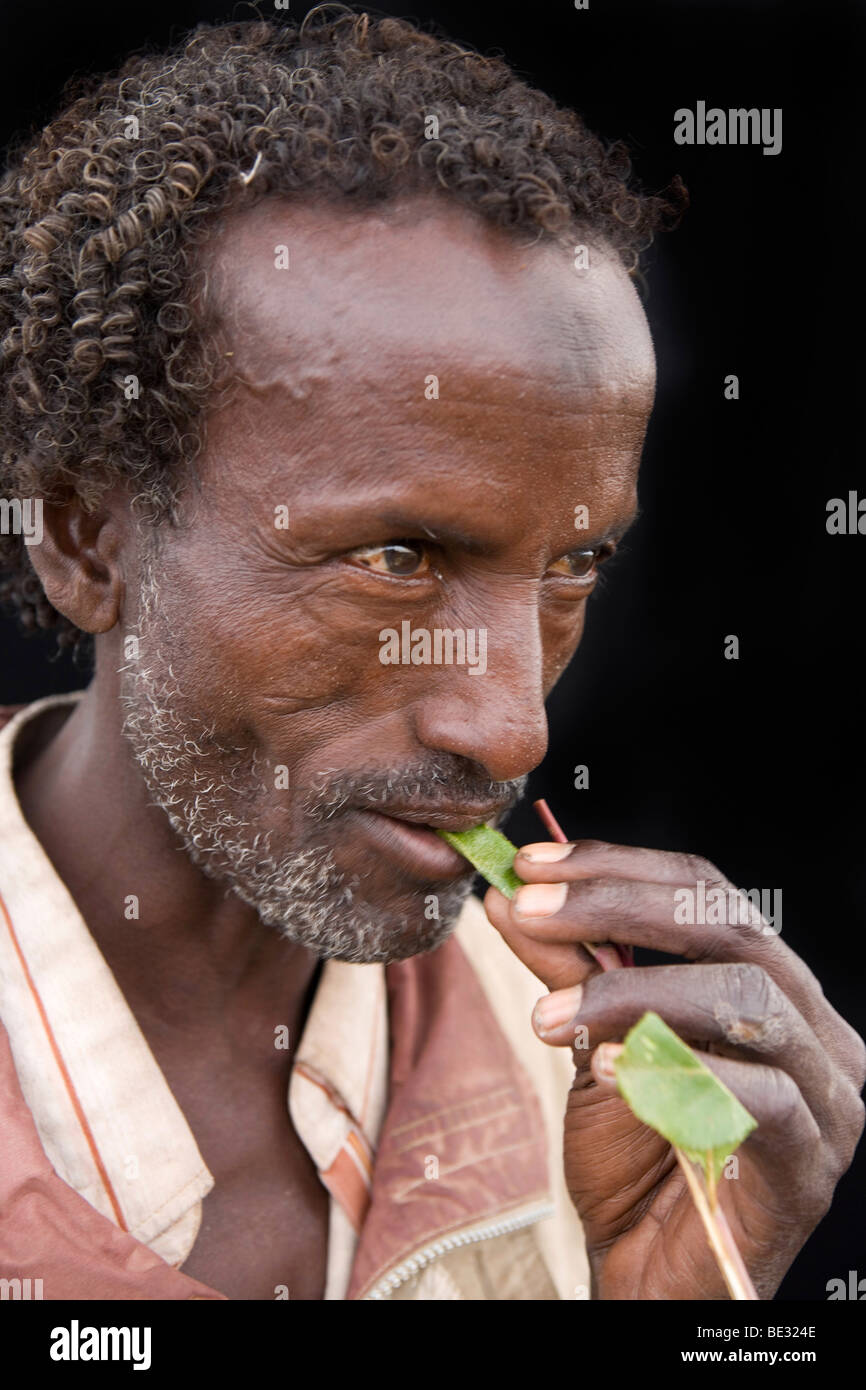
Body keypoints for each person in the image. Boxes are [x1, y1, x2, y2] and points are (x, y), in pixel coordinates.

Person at [0, 7, 862, 1301]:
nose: (513, 728)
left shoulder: (611, 1100)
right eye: (398, 557)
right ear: (85, 536)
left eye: (571, 566)